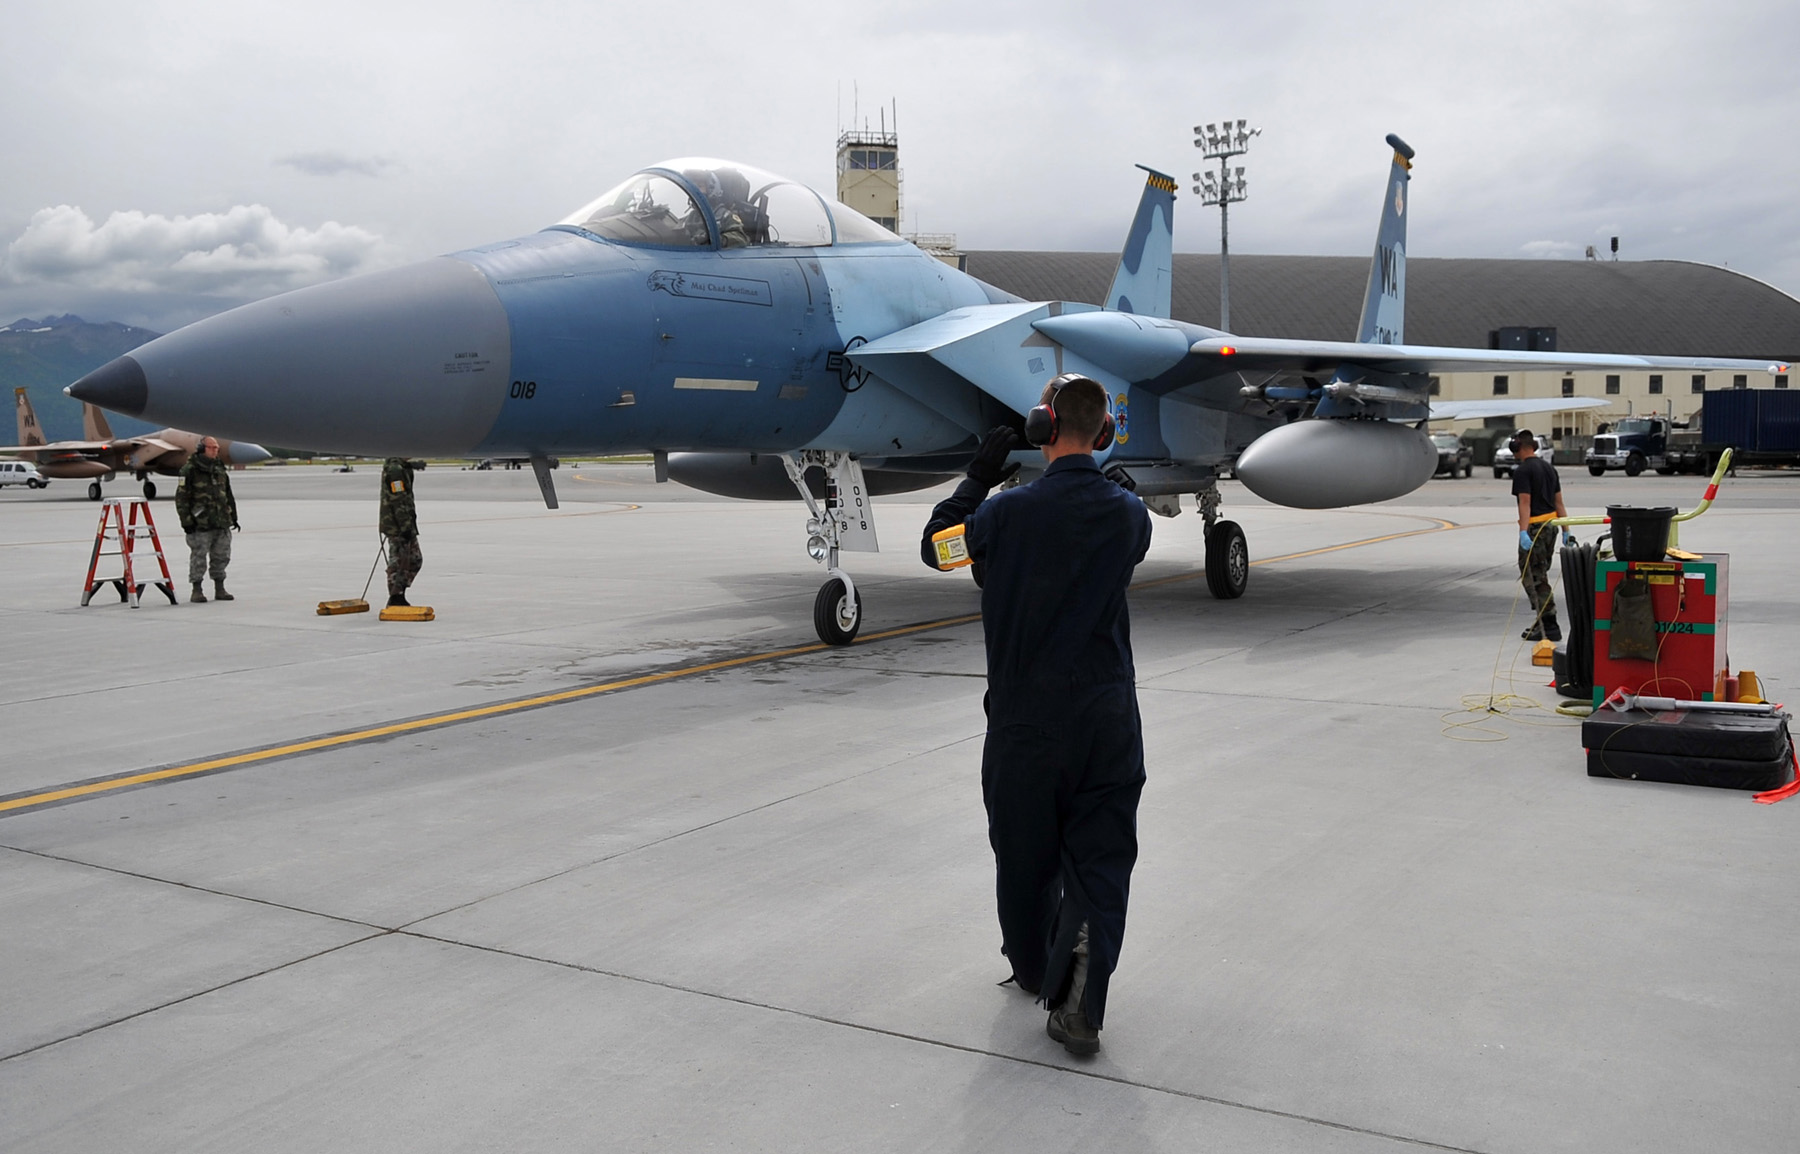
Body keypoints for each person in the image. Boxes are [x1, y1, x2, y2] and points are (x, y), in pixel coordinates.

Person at [920, 373, 1152, 1057]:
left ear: (1041, 429)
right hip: (1108, 720)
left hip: (1026, 723)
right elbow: (1128, 541)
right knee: (1100, 861)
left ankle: (1032, 967)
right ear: (1104, 434)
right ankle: (1080, 996)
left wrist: (977, 477)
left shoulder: (1003, 515)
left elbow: (939, 548)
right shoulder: (1126, 515)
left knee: (1024, 861)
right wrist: (1121, 489)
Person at [1511, 430, 1572, 641]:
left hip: (1535, 528)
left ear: (1519, 447)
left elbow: (1525, 503)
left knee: (1533, 577)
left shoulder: (1523, 471)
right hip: (1551, 527)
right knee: (1541, 572)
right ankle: (1542, 620)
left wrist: (1523, 532)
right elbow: (1559, 503)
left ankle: (1549, 623)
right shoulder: (1549, 469)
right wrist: (1566, 530)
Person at [175, 436, 238, 603]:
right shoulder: (189, 470)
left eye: (216, 448)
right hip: (200, 523)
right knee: (199, 556)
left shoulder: (219, 468)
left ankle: (220, 588)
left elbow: (227, 493)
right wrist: (186, 522)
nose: (215, 450)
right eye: (211, 447)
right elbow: (181, 498)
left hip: (221, 521)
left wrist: (233, 516)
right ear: (202, 449)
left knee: (222, 555)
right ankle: (197, 589)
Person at [380, 457, 427, 607]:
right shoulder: (396, 471)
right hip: (397, 524)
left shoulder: (400, 467)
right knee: (399, 559)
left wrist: (410, 466)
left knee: (414, 559)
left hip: (405, 522)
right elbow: (398, 498)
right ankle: (395, 596)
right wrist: (405, 526)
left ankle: (399, 593)